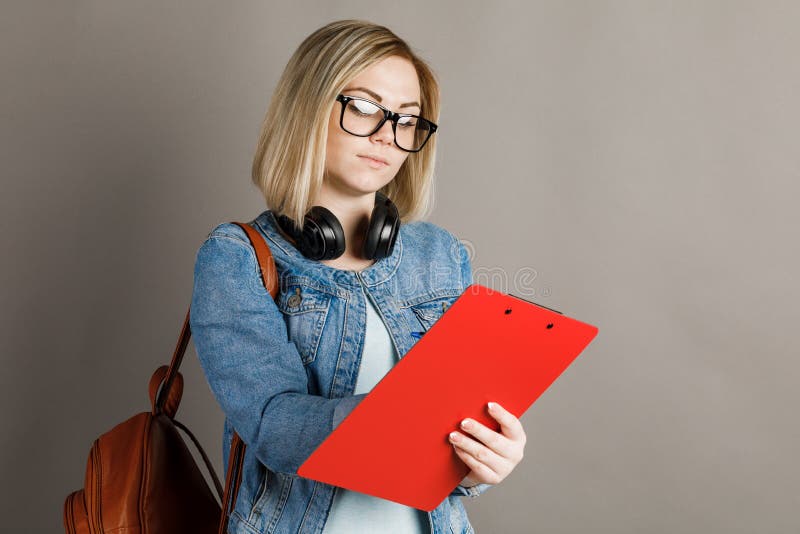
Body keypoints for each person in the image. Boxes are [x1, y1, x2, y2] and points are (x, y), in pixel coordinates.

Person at [190, 19, 527, 534]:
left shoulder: (442, 254)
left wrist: (485, 458)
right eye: (365, 107)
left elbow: (458, 434)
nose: (387, 136)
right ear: (309, 108)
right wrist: (392, 416)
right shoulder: (235, 257)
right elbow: (271, 425)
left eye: (406, 120)